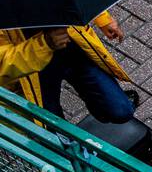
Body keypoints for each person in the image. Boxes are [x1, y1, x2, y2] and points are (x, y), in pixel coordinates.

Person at [0, 11, 137, 123]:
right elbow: (3, 64)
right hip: (34, 73)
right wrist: (45, 44)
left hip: (73, 48)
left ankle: (101, 107)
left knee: (121, 111)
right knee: (56, 136)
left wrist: (102, 18)